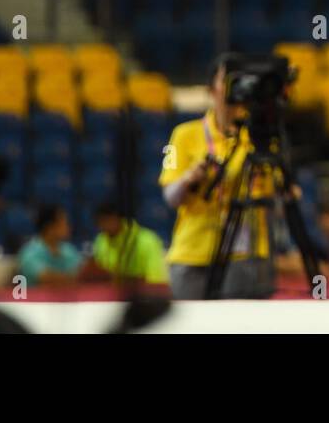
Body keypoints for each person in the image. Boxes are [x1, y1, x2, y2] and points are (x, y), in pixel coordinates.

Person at [158, 53, 278, 300]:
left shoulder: (260, 140)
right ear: (211, 88)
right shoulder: (182, 134)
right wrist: (189, 178)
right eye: (227, 78)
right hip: (193, 252)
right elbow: (170, 197)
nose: (235, 85)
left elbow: (276, 197)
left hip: (245, 254)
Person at [84, 202, 168, 286]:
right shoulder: (100, 240)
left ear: (119, 218)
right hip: (111, 294)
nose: (103, 225)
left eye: (107, 220)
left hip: (144, 295)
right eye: (100, 222)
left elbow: (156, 279)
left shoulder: (148, 240)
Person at [15, 204, 83, 286]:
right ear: (50, 227)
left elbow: (82, 275)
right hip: (36, 298)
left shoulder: (69, 250)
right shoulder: (29, 253)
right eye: (64, 222)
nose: (68, 226)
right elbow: (46, 278)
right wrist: (71, 278)